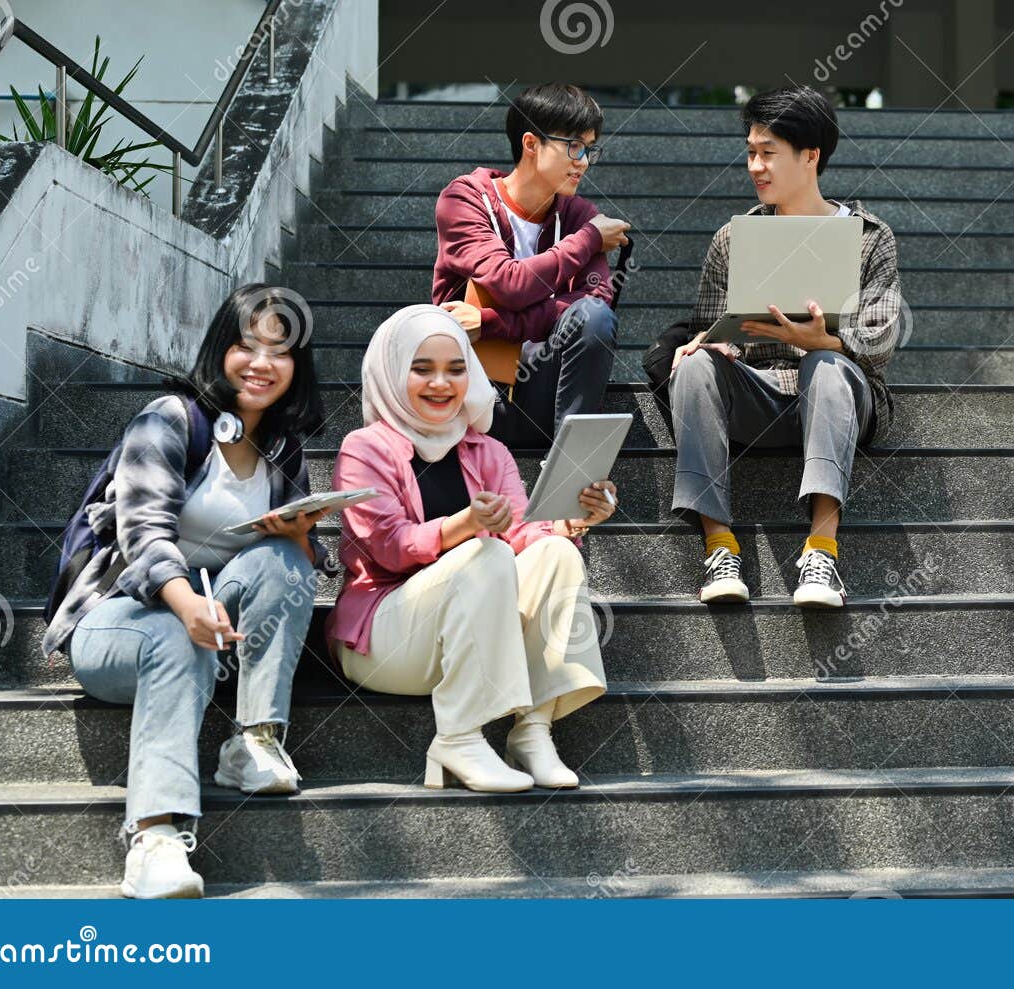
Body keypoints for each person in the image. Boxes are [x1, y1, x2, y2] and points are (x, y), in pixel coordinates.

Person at [42, 284, 333, 899]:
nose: (261, 363)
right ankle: (155, 838)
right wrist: (183, 602)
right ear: (219, 350)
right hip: (119, 619)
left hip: (217, 630)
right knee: (175, 635)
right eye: (244, 345)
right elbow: (143, 531)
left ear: (297, 365)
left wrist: (301, 534)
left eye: (279, 352)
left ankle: (252, 741)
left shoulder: (282, 447)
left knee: (285, 560)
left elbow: (298, 571)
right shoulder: (170, 419)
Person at [329, 304, 617, 794]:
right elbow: (389, 550)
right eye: (422, 370)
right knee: (486, 554)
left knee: (556, 555)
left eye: (456, 369)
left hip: (472, 638)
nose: (442, 384)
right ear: (392, 374)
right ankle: (458, 736)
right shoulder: (364, 449)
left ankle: (531, 728)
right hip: (386, 639)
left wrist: (572, 520)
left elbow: (523, 531)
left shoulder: (488, 451)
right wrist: (463, 526)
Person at [668, 85, 903, 608]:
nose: (756, 166)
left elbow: (882, 338)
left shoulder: (868, 235)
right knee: (693, 367)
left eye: (768, 153)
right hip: (758, 393)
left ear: (810, 155)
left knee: (827, 362)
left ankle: (821, 553)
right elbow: (710, 326)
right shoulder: (733, 239)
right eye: (751, 152)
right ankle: (718, 545)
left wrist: (826, 340)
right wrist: (711, 348)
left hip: (836, 395)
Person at [432, 82, 632, 449]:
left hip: (547, 387)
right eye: (573, 146)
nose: (583, 161)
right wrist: (587, 239)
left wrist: (494, 323)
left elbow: (594, 305)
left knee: (594, 316)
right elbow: (510, 283)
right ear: (530, 144)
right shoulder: (464, 200)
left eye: (589, 149)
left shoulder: (578, 215)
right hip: (472, 391)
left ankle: (571, 477)